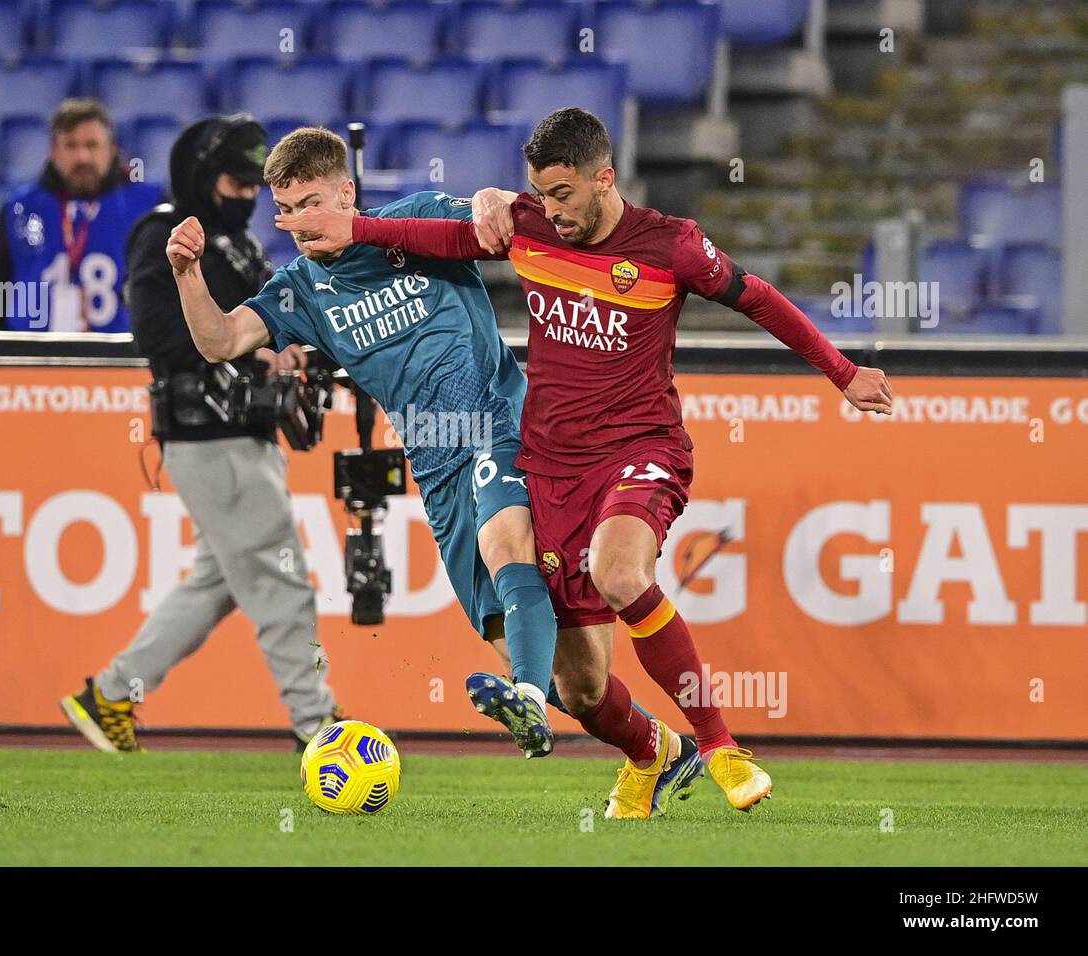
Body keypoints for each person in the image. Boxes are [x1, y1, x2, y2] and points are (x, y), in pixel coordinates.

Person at [281, 107, 894, 818]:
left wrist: (843, 371)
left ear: (605, 179)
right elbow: (439, 236)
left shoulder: (672, 246)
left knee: (619, 571)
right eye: (540, 194)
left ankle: (721, 745)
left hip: (640, 448)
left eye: (563, 194)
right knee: (581, 686)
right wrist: (354, 229)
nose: (551, 210)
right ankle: (651, 755)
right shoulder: (534, 228)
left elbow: (757, 298)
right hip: (552, 470)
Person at [163, 126, 577, 762]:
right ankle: (655, 745)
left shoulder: (417, 220)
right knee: (559, 674)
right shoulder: (301, 290)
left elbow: (505, 226)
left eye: (312, 204)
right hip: (434, 464)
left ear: (347, 193)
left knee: (505, 544)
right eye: (286, 209)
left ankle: (524, 694)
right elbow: (220, 341)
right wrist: (188, 275)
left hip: (498, 425)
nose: (300, 223)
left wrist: (493, 197)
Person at [60, 115, 339, 753]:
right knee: (281, 579)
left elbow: (271, 323)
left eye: (252, 183)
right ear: (200, 173)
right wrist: (249, 352)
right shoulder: (165, 233)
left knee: (216, 583)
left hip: (243, 432)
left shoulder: (238, 244)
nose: (245, 194)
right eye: (233, 180)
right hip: (208, 432)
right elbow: (155, 333)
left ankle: (110, 695)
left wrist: (289, 348)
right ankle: (318, 726)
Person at [0, 98, 162, 332]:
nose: (82, 157)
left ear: (112, 149)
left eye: (92, 145)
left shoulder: (148, 204)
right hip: (32, 352)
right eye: (71, 145)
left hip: (120, 352)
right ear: (53, 152)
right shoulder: (20, 208)